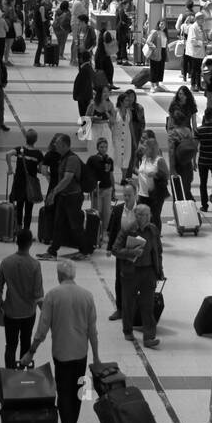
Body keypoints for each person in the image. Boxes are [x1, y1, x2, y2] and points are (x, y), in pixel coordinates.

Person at [21, 258, 100, 423]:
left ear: (59, 275)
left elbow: (42, 329)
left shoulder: (53, 296)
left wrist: (31, 351)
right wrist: (96, 357)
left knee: (64, 394)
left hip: (62, 354)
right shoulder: (87, 296)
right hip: (81, 353)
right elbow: (93, 331)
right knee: (78, 392)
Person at [114, 202, 163, 349]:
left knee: (148, 305)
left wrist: (159, 271)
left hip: (148, 272)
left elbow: (158, 251)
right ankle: (127, 330)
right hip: (131, 272)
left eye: (148, 215)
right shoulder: (128, 230)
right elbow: (115, 249)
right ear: (136, 216)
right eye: (143, 215)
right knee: (129, 303)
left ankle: (149, 337)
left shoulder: (153, 230)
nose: (147, 217)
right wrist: (131, 252)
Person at [38, 133, 94, 262]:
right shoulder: (62, 157)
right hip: (64, 196)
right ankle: (52, 252)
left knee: (76, 226)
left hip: (73, 197)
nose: (54, 145)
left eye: (56, 143)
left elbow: (67, 178)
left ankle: (85, 250)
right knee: (58, 224)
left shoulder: (72, 159)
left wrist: (53, 192)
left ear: (63, 145)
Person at [0, 229, 44, 370]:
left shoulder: (6, 262)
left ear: (17, 242)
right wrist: (46, 314)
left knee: (10, 345)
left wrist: (1, 302)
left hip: (11, 312)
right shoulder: (35, 265)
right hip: (29, 312)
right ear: (30, 244)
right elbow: (38, 293)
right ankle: (22, 373)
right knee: (26, 343)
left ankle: (9, 374)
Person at [106, 181, 138, 322]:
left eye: (129, 195)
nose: (126, 198)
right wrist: (109, 248)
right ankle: (120, 309)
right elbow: (113, 230)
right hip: (121, 251)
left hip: (137, 251)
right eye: (124, 195)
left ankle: (135, 310)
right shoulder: (118, 210)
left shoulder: (142, 210)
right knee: (119, 280)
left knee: (136, 281)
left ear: (136, 194)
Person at [6, 130, 44, 233]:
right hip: (30, 186)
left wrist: (10, 168)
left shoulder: (20, 150)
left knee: (19, 206)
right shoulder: (38, 154)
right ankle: (26, 231)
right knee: (29, 209)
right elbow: (41, 170)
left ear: (26, 138)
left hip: (19, 183)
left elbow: (8, 154)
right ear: (35, 140)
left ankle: (18, 229)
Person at [133, 131, 170, 233]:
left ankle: (156, 240)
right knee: (140, 217)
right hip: (142, 193)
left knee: (154, 217)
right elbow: (135, 168)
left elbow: (167, 175)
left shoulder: (159, 160)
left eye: (145, 146)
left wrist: (155, 175)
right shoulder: (144, 158)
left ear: (151, 148)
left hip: (155, 195)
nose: (143, 147)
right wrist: (139, 174)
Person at [87, 137, 115, 249]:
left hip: (107, 189)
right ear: (97, 147)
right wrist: (90, 187)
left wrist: (114, 188)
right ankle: (95, 233)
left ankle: (104, 233)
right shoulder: (92, 159)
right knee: (96, 212)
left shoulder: (109, 160)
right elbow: (88, 174)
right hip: (97, 190)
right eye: (101, 147)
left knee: (106, 213)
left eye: (105, 147)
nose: (104, 149)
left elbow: (111, 175)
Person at [144, 19, 168, 90]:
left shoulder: (164, 33)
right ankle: (152, 86)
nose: (162, 25)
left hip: (163, 52)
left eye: (164, 24)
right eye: (161, 24)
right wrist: (154, 48)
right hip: (156, 52)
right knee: (154, 68)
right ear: (158, 24)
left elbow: (164, 43)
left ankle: (157, 85)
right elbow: (148, 41)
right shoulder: (155, 32)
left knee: (160, 68)